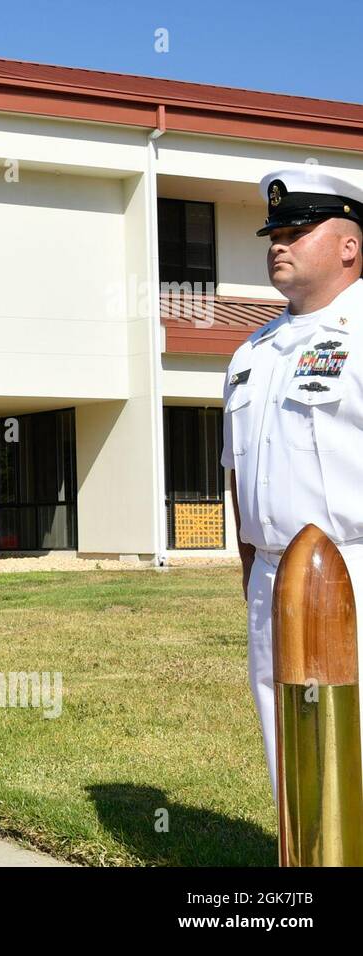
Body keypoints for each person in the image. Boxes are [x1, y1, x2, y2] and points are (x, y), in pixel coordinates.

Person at [223, 167, 363, 802]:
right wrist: (251, 564)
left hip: (353, 568)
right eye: (274, 232)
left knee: (353, 743)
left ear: (349, 245)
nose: (278, 242)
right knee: (288, 744)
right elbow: (237, 467)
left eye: (298, 230)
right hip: (271, 577)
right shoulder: (254, 351)